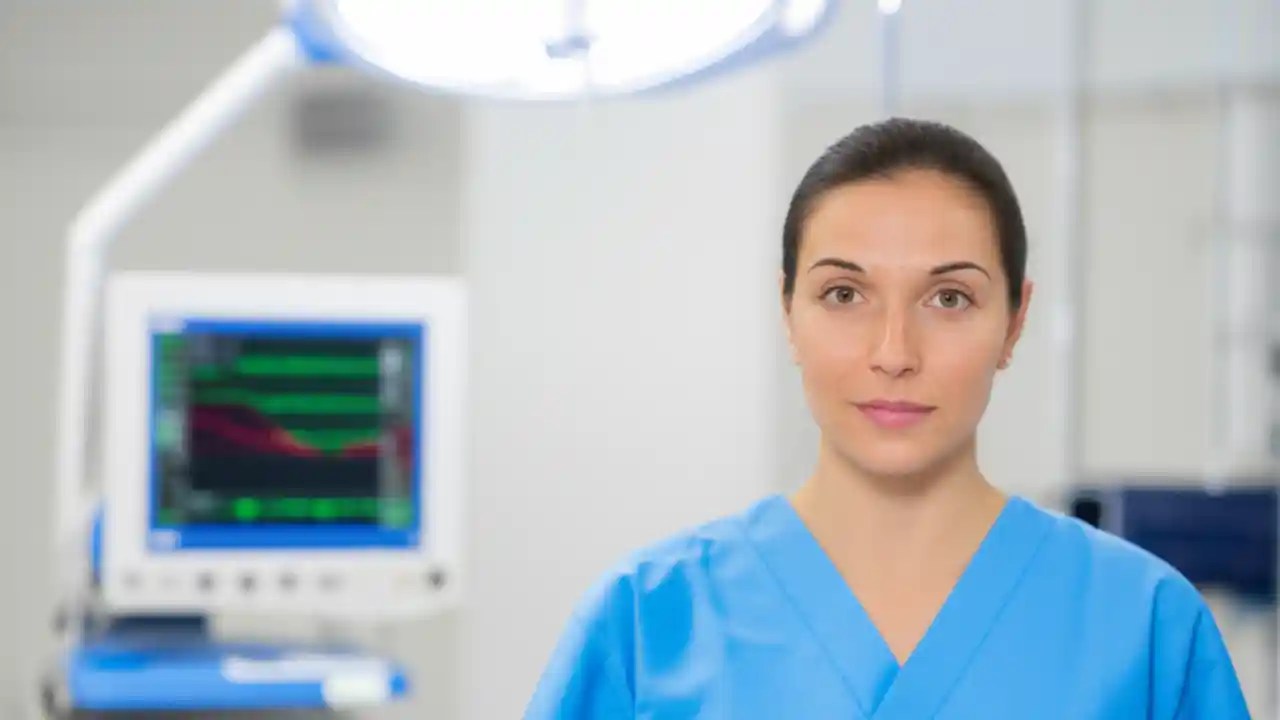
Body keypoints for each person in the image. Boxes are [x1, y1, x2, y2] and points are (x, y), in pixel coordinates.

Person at [524, 118, 1250, 719]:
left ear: (1016, 320)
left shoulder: (1145, 629)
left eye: (949, 299)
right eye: (844, 294)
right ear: (787, 310)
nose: (894, 352)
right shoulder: (648, 627)